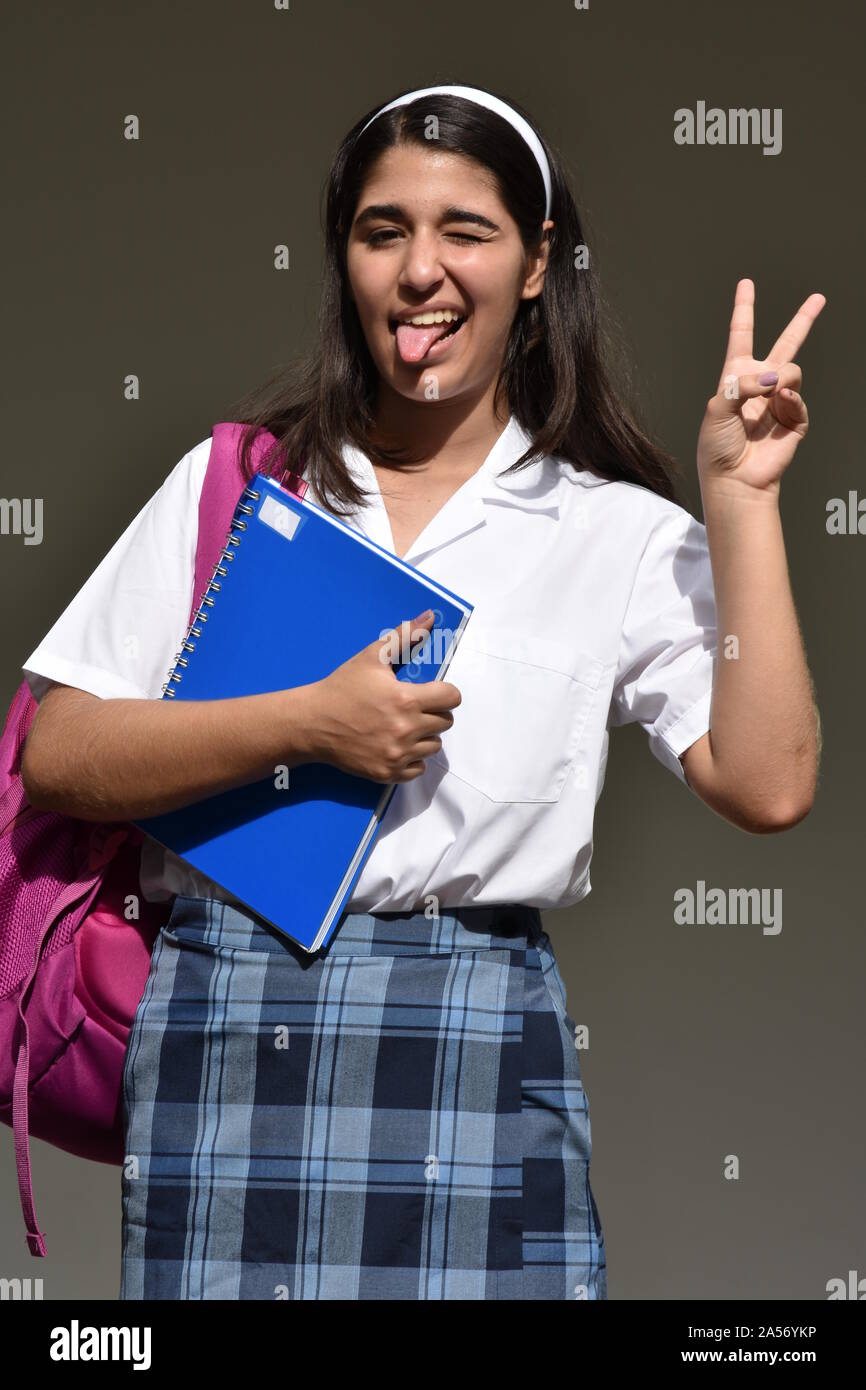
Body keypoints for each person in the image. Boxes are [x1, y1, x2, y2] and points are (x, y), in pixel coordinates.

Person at [19, 82, 823, 1301]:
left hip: (477, 1037)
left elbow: (767, 784)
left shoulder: (611, 533)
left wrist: (744, 504)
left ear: (538, 261)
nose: (420, 271)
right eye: (381, 230)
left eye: (466, 232)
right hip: (224, 1027)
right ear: (342, 254)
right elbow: (60, 752)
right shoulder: (241, 487)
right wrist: (306, 725)